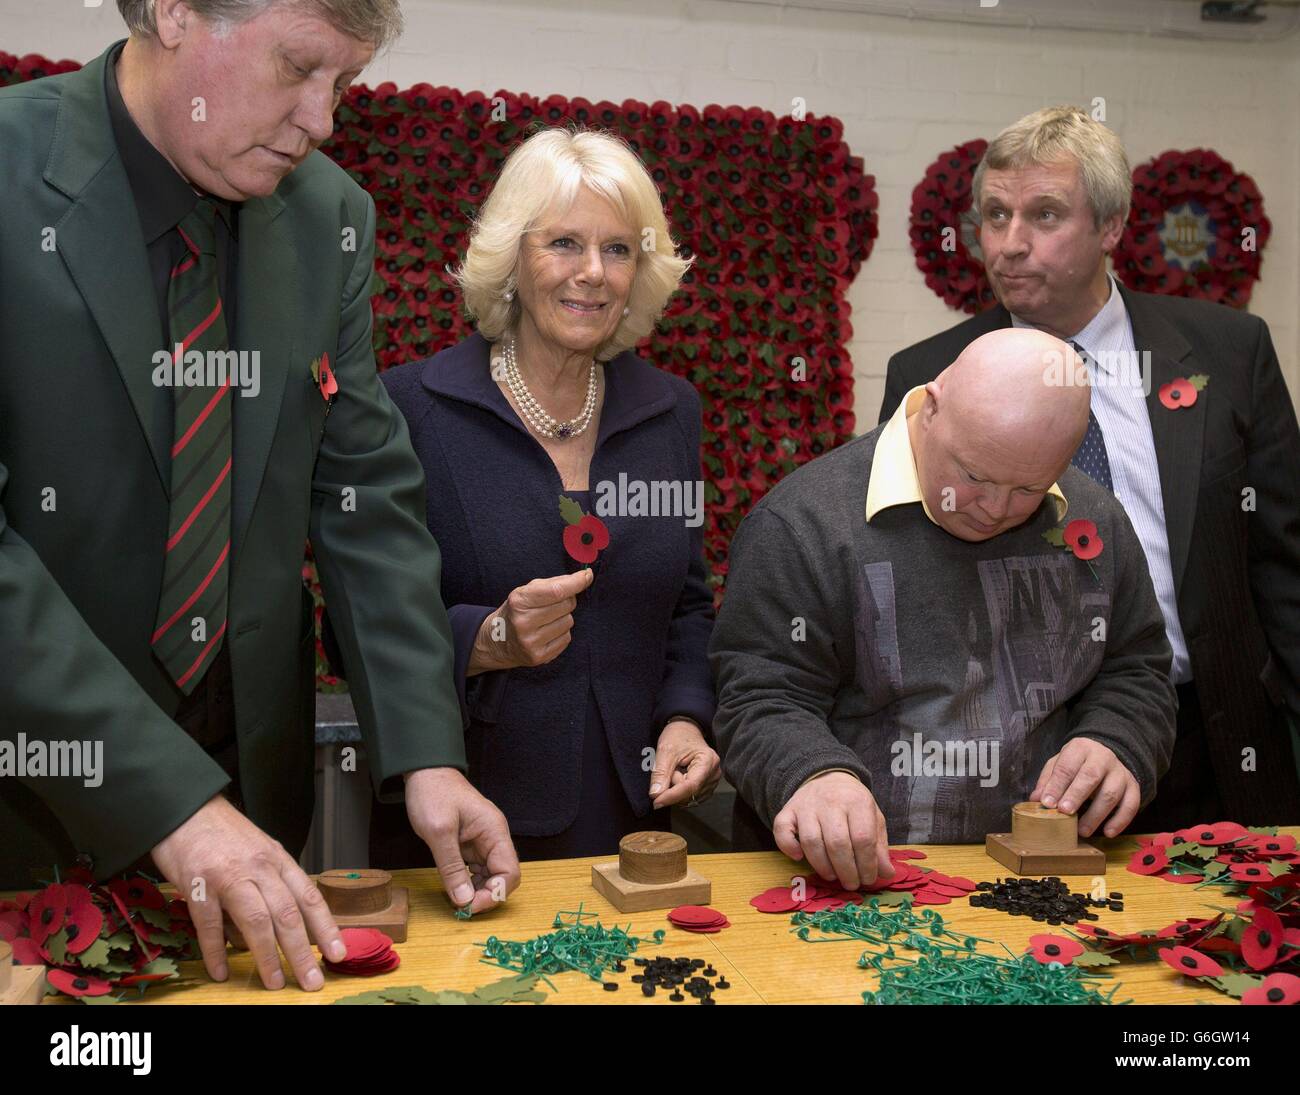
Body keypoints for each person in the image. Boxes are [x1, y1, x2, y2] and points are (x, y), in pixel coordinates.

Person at [0, 0, 518, 992]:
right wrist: (170, 804)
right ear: (173, 13)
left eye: (346, 85)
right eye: (297, 68)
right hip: (31, 815)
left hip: (250, 823)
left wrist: (426, 754)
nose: (323, 121)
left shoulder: (332, 218)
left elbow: (362, 495)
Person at [882, 106, 1300, 828]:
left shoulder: (1231, 353)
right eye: (995, 214)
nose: (1010, 244)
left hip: (1213, 740)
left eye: (1045, 215)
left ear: (1110, 227)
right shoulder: (928, 376)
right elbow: (905, 575)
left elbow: (1283, 564)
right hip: (1020, 760)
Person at [711, 328, 1176, 890]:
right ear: (931, 408)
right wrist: (813, 774)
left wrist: (1116, 739)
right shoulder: (802, 525)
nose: (995, 509)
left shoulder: (1095, 519)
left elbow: (1136, 667)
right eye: (974, 475)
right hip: (851, 886)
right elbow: (759, 696)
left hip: (1044, 879)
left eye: (1030, 487)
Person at [371, 127, 720, 864]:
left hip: (639, 824)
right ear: (512, 257)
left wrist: (686, 719)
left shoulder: (671, 411)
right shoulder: (413, 406)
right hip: (465, 818)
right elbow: (360, 623)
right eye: (563, 242)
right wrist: (487, 638)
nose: (592, 272)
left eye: (619, 249)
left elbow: (688, 604)